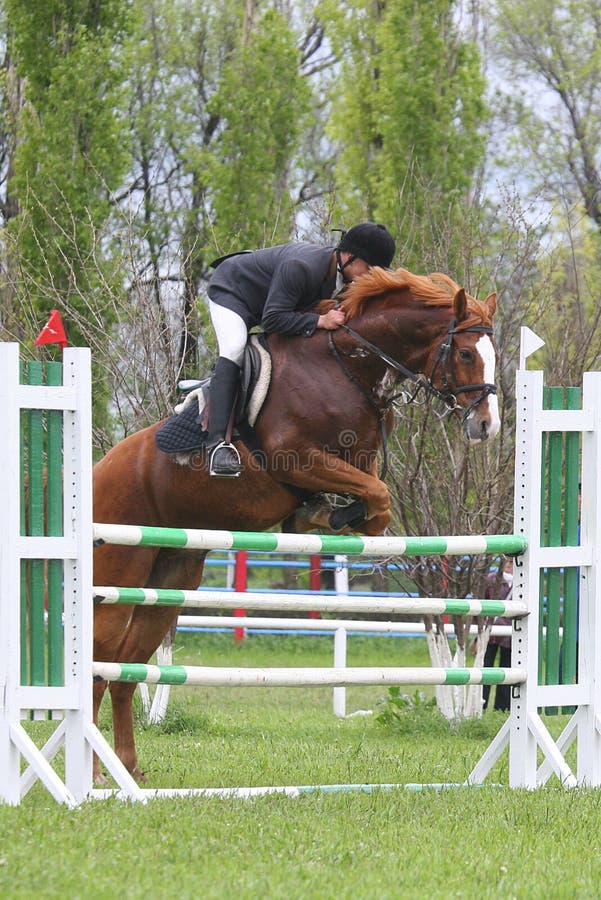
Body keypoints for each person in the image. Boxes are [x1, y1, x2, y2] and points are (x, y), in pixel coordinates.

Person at [205, 223, 396, 476]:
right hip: (234, 292)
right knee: (234, 348)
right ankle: (217, 445)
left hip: (270, 301)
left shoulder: (343, 274)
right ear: (350, 257)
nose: (372, 276)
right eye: (370, 268)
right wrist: (320, 321)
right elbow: (272, 319)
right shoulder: (302, 267)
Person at [482, 557, 513, 712]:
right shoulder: (491, 580)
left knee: (507, 670)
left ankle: (502, 708)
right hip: (491, 632)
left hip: (513, 635)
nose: (510, 564)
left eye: (513, 561)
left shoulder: (525, 582)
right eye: (507, 561)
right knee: (485, 667)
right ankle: (481, 703)